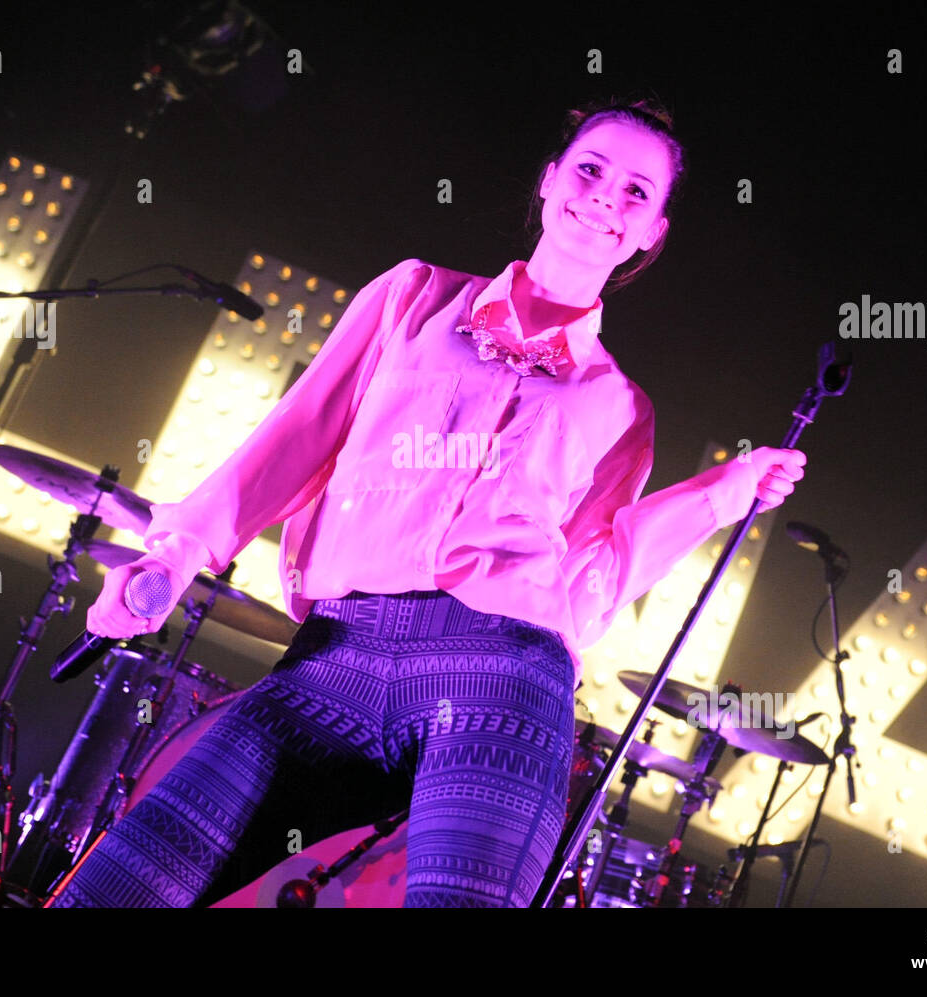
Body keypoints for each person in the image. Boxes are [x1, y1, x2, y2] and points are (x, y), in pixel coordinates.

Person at [47, 97, 806, 908]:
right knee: (120, 885)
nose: (606, 198)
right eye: (591, 170)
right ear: (550, 182)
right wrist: (172, 555)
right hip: (335, 656)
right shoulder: (413, 297)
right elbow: (290, 442)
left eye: (636, 193)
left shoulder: (620, 406)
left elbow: (591, 586)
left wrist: (715, 498)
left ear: (652, 232)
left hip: (502, 675)